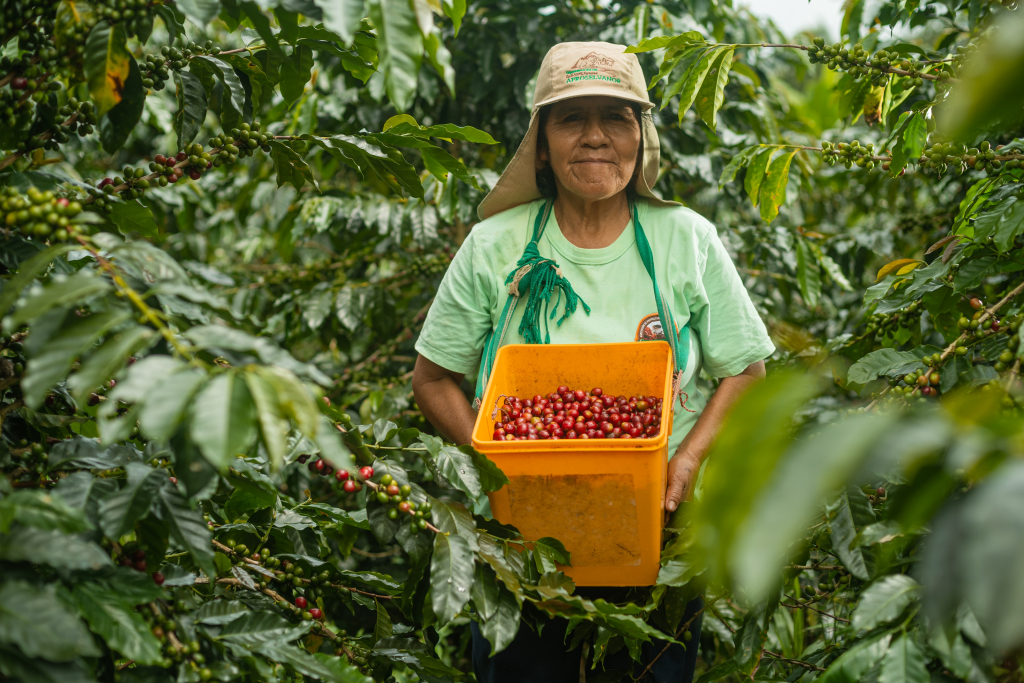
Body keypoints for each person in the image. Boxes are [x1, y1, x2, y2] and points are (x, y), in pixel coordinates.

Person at [412, 41, 774, 683]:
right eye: (572, 118)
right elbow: (433, 378)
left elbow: (746, 371)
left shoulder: (686, 238)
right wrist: (496, 469)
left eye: (617, 118)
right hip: (525, 545)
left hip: (656, 532)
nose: (596, 137)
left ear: (641, 135)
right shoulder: (494, 245)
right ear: (541, 144)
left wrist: (686, 463)